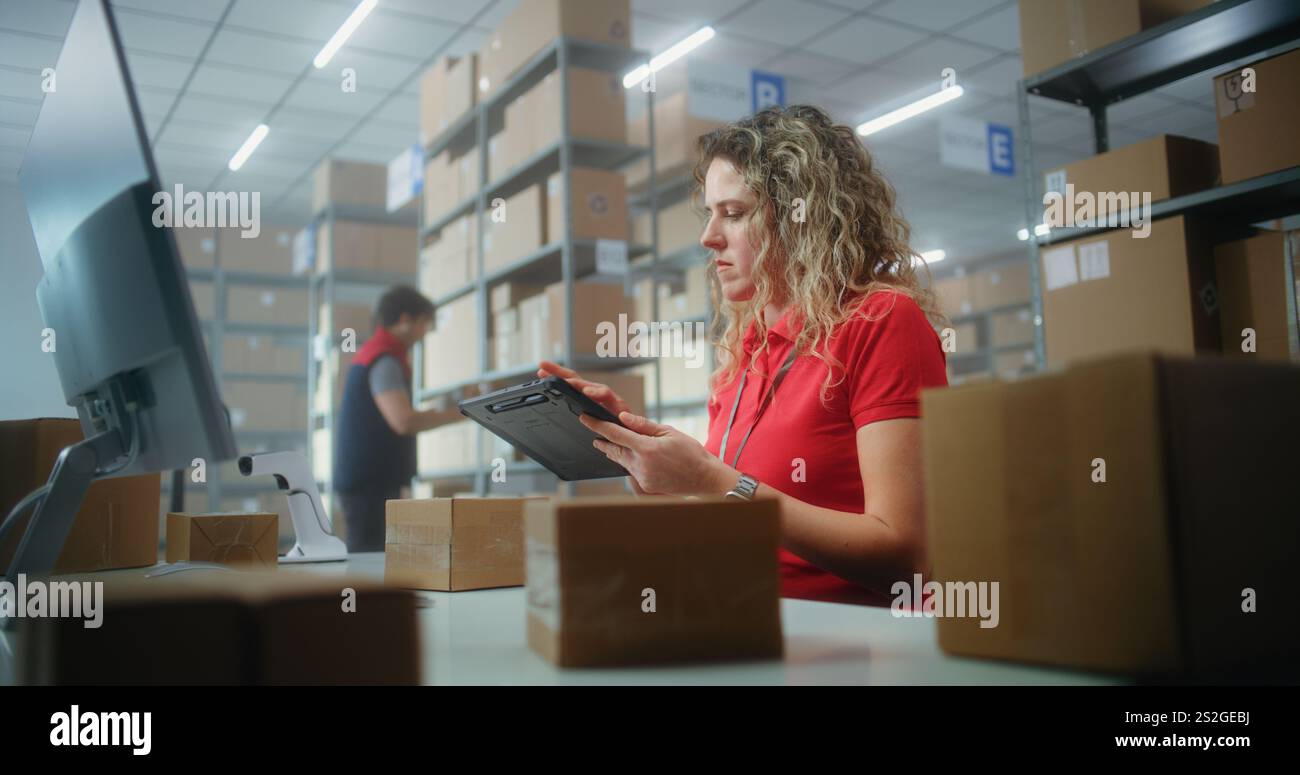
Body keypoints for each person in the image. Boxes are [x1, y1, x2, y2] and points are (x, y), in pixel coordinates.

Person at [540, 105, 949, 606]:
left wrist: (714, 479)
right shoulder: (745, 351)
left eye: (733, 214)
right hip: (748, 619)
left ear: (804, 218)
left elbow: (906, 555)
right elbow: (725, 511)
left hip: (852, 644)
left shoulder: (882, 322)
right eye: (710, 213)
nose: (708, 237)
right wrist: (636, 451)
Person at [333, 285, 464, 552]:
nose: (426, 332)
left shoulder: (378, 354)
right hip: (369, 487)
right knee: (370, 566)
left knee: (374, 562)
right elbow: (404, 421)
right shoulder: (385, 360)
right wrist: (463, 413)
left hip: (369, 482)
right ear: (405, 320)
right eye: (424, 323)